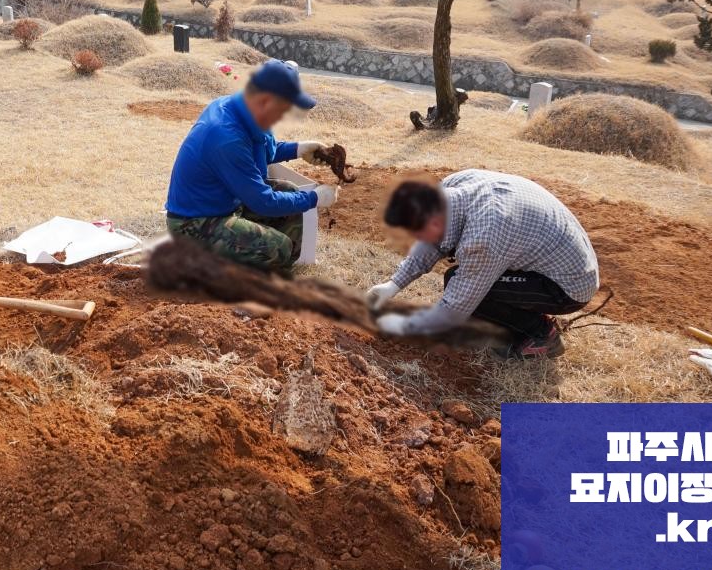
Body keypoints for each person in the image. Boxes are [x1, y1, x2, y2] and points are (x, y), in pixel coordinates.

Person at [366, 170, 599, 359]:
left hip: (569, 285)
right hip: (552, 254)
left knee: (469, 291)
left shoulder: (484, 236)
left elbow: (455, 307)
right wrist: (393, 284)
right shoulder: (454, 185)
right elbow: (431, 243)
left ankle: (541, 333)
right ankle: (524, 310)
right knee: (467, 282)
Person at [165, 60, 338, 274]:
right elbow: (263, 201)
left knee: (289, 192)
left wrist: (297, 149)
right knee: (278, 247)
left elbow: (261, 151)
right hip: (193, 223)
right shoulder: (225, 137)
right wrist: (314, 199)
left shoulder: (244, 113)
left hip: (224, 205)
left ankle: (269, 266)